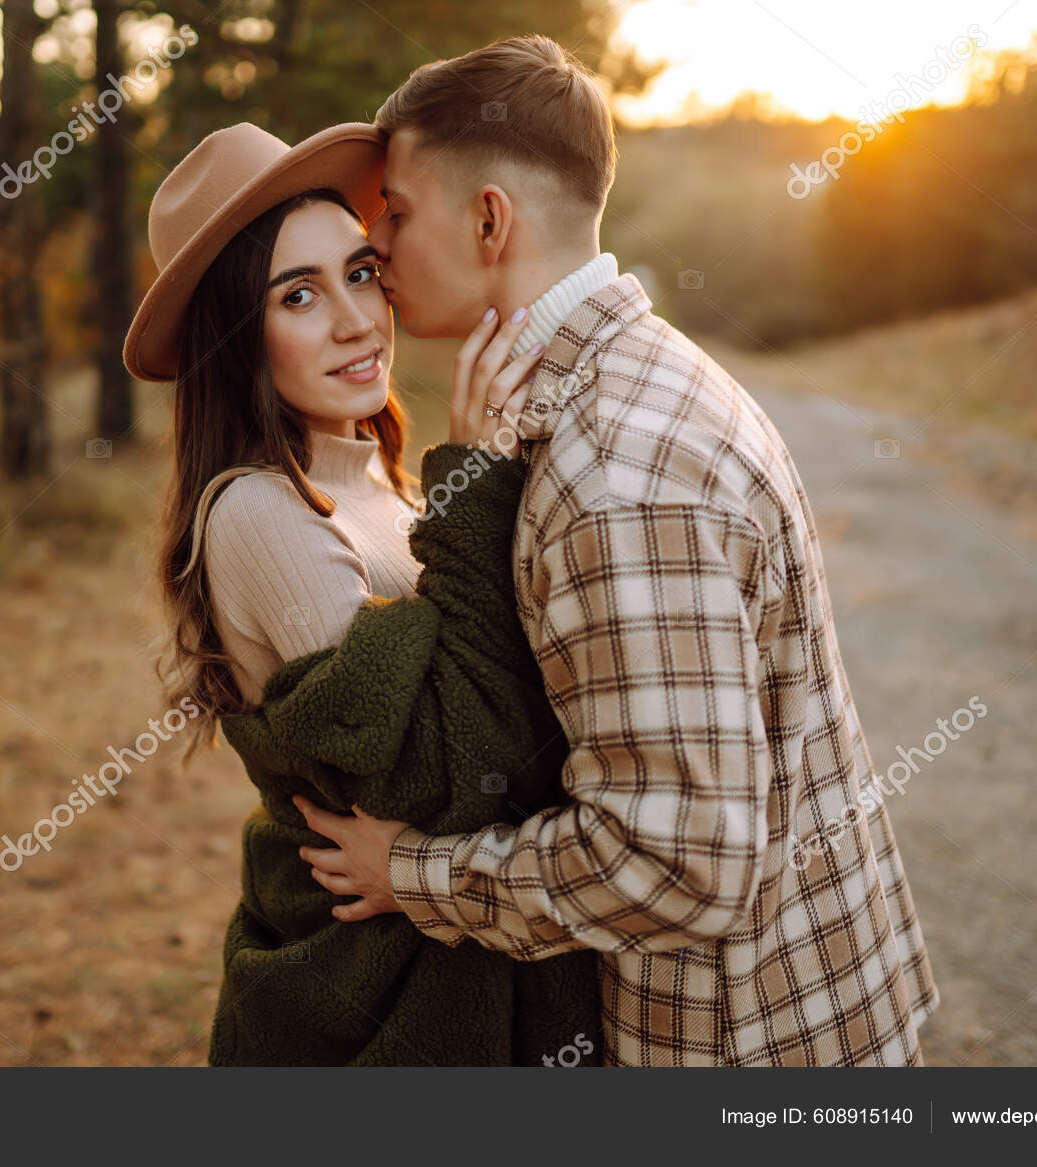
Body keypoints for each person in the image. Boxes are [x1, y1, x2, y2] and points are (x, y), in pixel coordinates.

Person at [278, 34, 942, 1066]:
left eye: (397, 214)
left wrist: (414, 873)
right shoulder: (645, 377)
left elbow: (678, 863)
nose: (380, 246)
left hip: (743, 1044)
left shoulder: (612, 471)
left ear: (488, 218)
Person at [122, 121, 601, 1064]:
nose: (355, 319)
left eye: (360, 273)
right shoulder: (259, 512)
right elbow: (433, 774)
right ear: (237, 340)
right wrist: (480, 485)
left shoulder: (383, 485)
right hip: (370, 1008)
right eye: (298, 295)